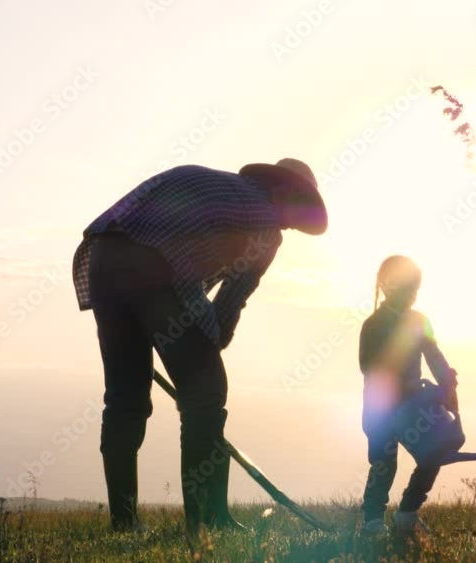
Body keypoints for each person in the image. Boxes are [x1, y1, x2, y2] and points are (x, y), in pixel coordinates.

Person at [72, 159, 327, 533]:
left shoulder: (221, 189)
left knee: (125, 400)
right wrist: (206, 357)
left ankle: (124, 523)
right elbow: (230, 301)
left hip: (104, 260)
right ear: (283, 191)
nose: (291, 225)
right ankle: (208, 521)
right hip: (154, 267)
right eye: (298, 211)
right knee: (207, 396)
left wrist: (192, 346)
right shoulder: (266, 227)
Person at [357, 256, 459, 536]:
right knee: (383, 464)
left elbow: (434, 355)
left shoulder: (419, 320)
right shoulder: (373, 325)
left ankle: (407, 513)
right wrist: (407, 385)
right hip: (381, 410)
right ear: (387, 286)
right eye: (407, 287)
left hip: (414, 407)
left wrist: (447, 381)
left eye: (415, 288)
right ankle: (372, 521)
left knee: (433, 453)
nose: (413, 294)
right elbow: (368, 367)